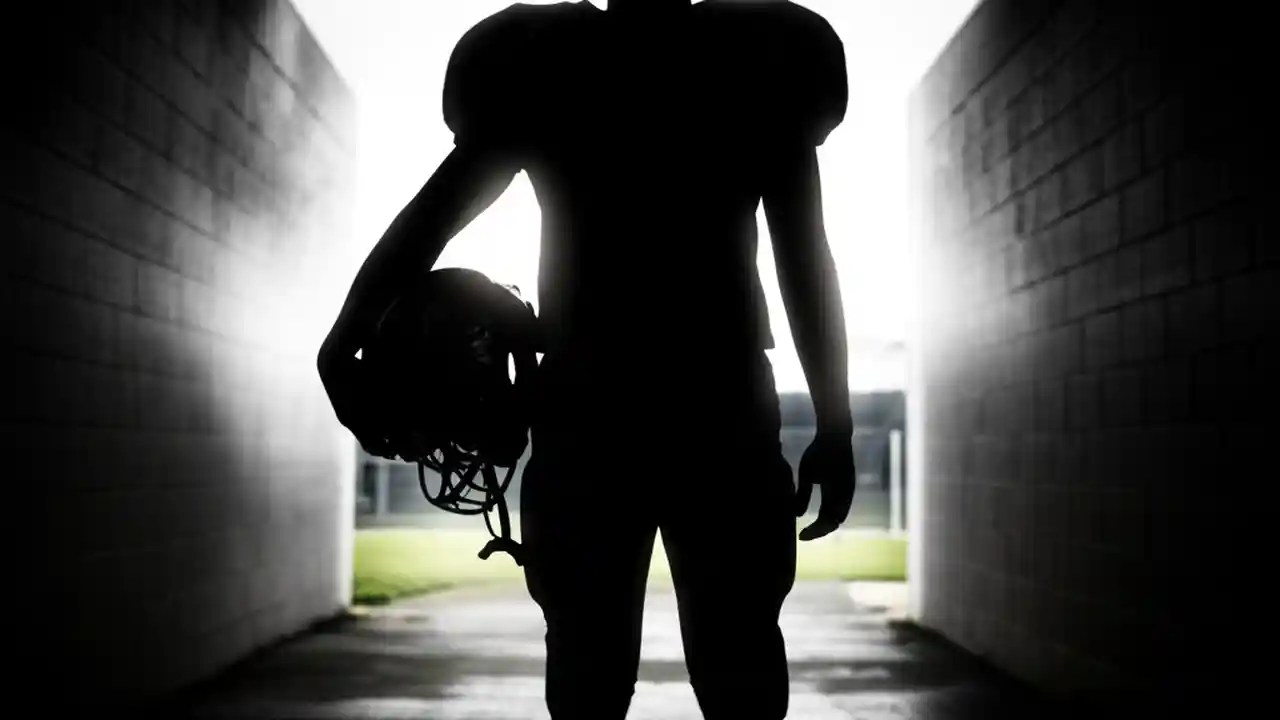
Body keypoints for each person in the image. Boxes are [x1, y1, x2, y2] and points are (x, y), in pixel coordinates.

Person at [317, 1, 855, 717]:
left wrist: (343, 339)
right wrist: (834, 419)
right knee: (732, 658)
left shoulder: (546, 65)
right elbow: (803, 257)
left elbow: (429, 221)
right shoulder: (754, 61)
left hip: (592, 396)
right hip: (712, 394)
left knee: (591, 663)